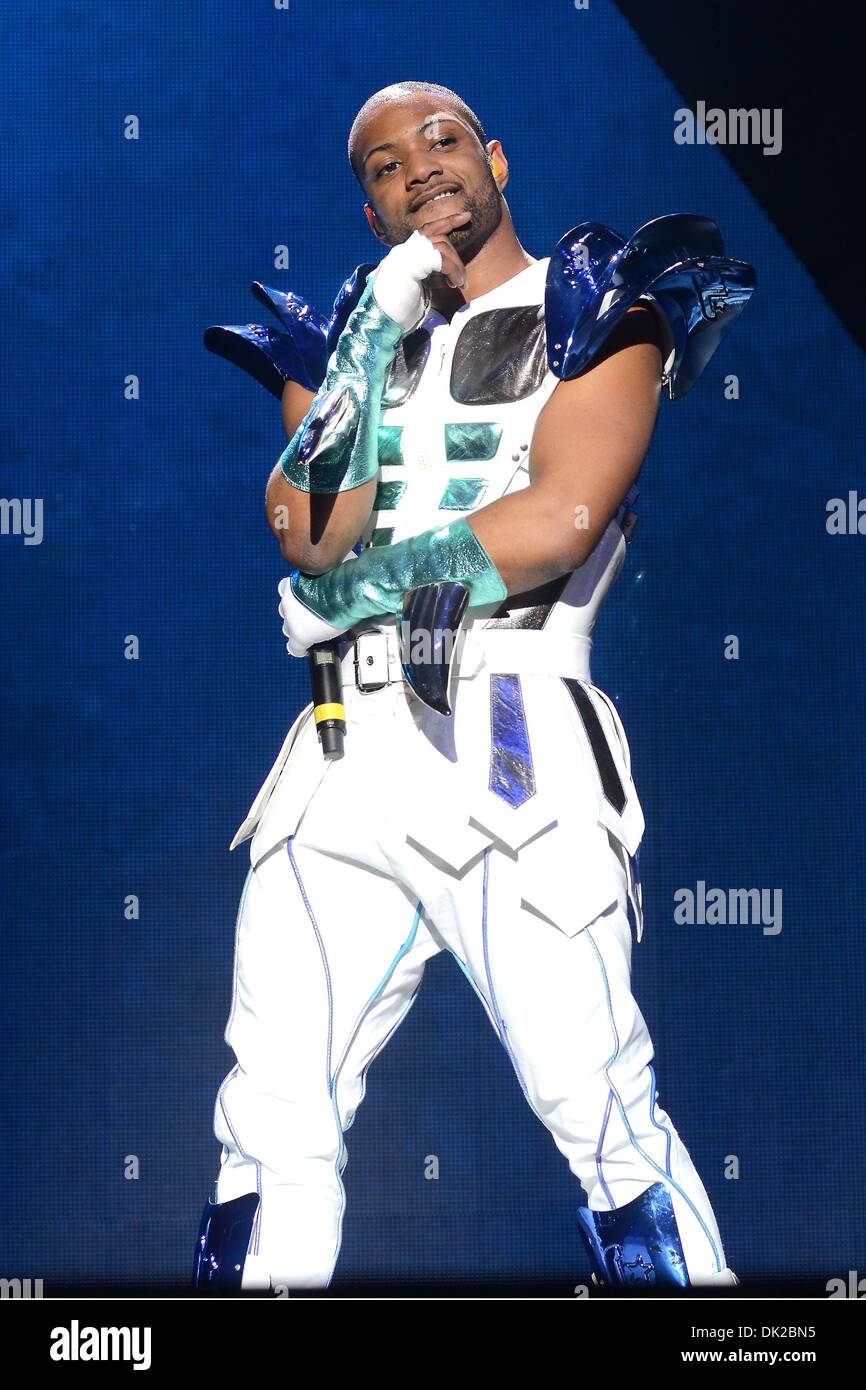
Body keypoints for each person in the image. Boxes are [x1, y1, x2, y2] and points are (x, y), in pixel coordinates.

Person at [194, 80, 753, 1292]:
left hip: (502, 736)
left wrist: (356, 596)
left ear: (491, 156)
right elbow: (307, 530)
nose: (421, 169)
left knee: (595, 1105)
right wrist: (360, 341)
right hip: (337, 757)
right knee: (268, 1116)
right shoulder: (354, 332)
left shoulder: (592, 302)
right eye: (387, 165)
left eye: (441, 141)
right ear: (368, 204)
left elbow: (557, 516)